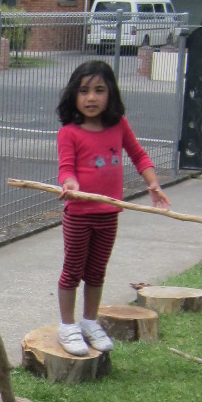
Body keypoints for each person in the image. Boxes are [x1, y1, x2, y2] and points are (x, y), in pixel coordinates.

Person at [55, 59, 169, 356]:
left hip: (108, 215)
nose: (91, 98)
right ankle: (67, 327)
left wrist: (153, 183)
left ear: (111, 93)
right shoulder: (69, 132)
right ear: (73, 95)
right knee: (72, 271)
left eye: (99, 90)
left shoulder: (119, 125)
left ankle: (90, 322)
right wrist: (70, 184)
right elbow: (66, 169)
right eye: (83, 91)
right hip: (79, 216)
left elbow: (139, 155)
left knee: (96, 272)